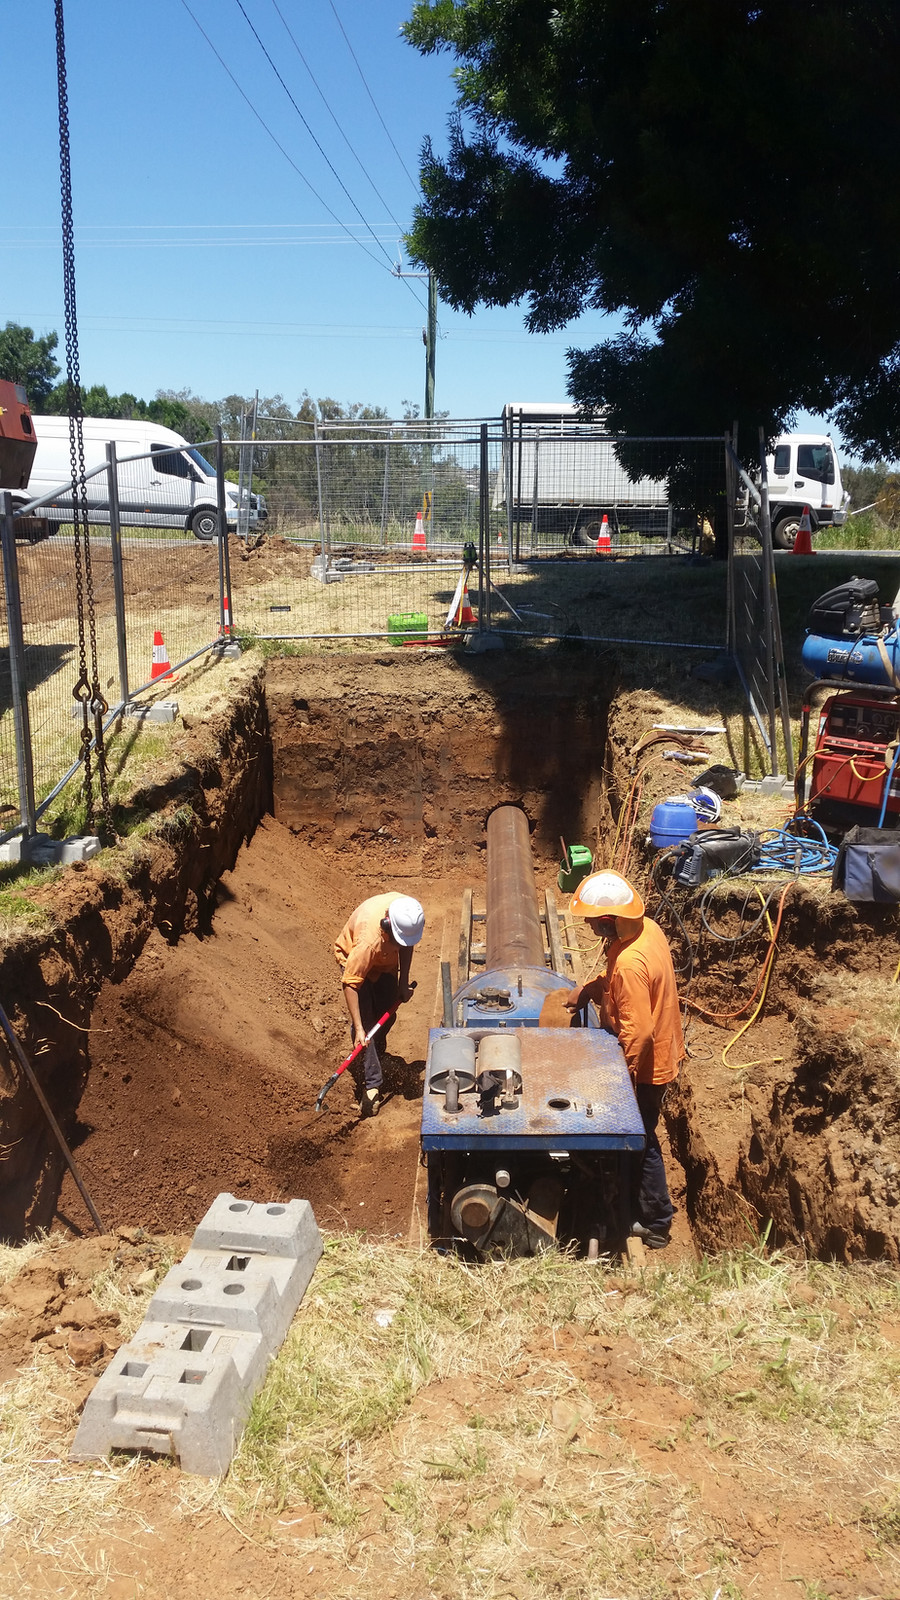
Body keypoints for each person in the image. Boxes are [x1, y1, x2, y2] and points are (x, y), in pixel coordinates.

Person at [563, 870, 683, 1248]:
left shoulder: (631, 961)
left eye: (592, 923)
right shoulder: (645, 930)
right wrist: (592, 988)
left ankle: (656, 1222)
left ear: (608, 921)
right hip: (659, 1048)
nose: (589, 928)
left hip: (647, 1065)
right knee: (641, 1136)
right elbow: (620, 979)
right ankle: (633, 1197)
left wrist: (622, 1085)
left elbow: (639, 1032)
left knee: (641, 1138)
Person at [333, 893, 425, 1117]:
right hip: (355, 966)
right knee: (367, 1031)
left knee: (387, 1014)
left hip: (384, 965)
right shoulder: (368, 942)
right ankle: (372, 1085)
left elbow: (406, 945)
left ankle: (376, 1055)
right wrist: (360, 1027)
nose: (399, 944)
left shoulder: (408, 914)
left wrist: (403, 982)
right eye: (396, 940)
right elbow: (351, 983)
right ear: (386, 925)